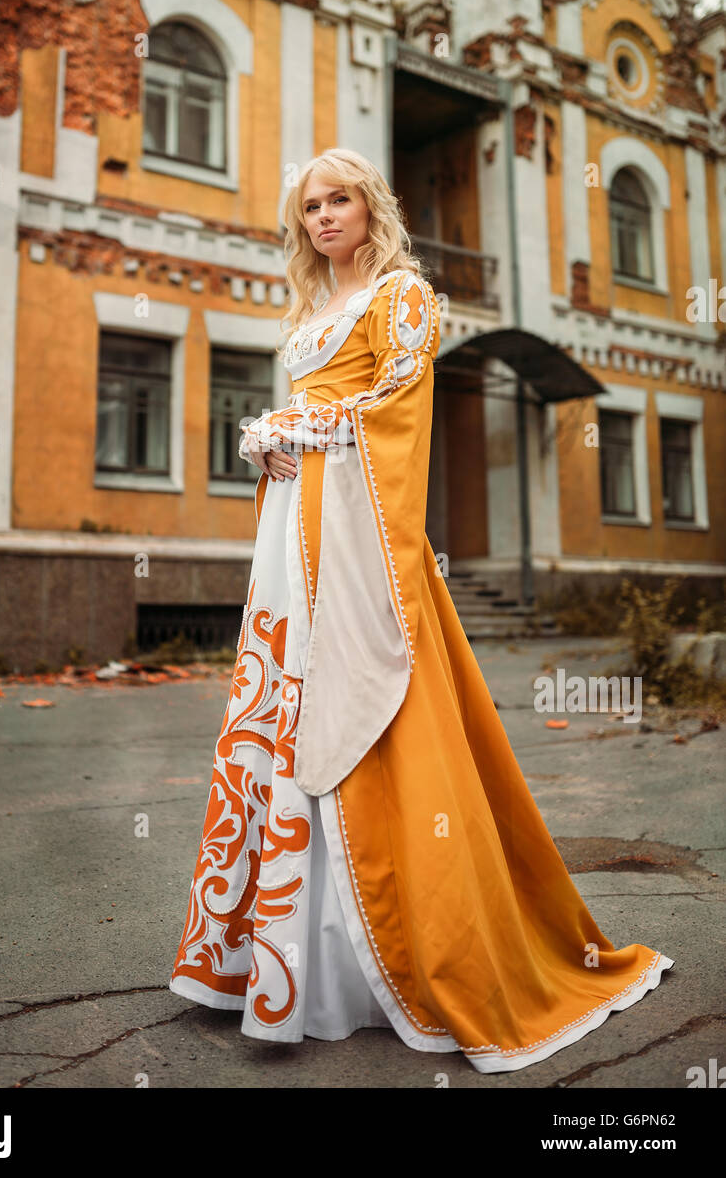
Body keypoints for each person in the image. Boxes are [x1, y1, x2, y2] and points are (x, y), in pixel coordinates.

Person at [168, 147, 674, 1073]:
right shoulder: (313, 306)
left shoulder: (404, 296)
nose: (323, 219)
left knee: (363, 704)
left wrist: (295, 427)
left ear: (371, 208)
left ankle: (384, 957)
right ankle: (271, 963)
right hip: (294, 528)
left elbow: (397, 408)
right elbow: (314, 407)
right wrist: (271, 444)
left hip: (354, 537)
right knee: (278, 709)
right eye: (310, 207)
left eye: (339, 201)